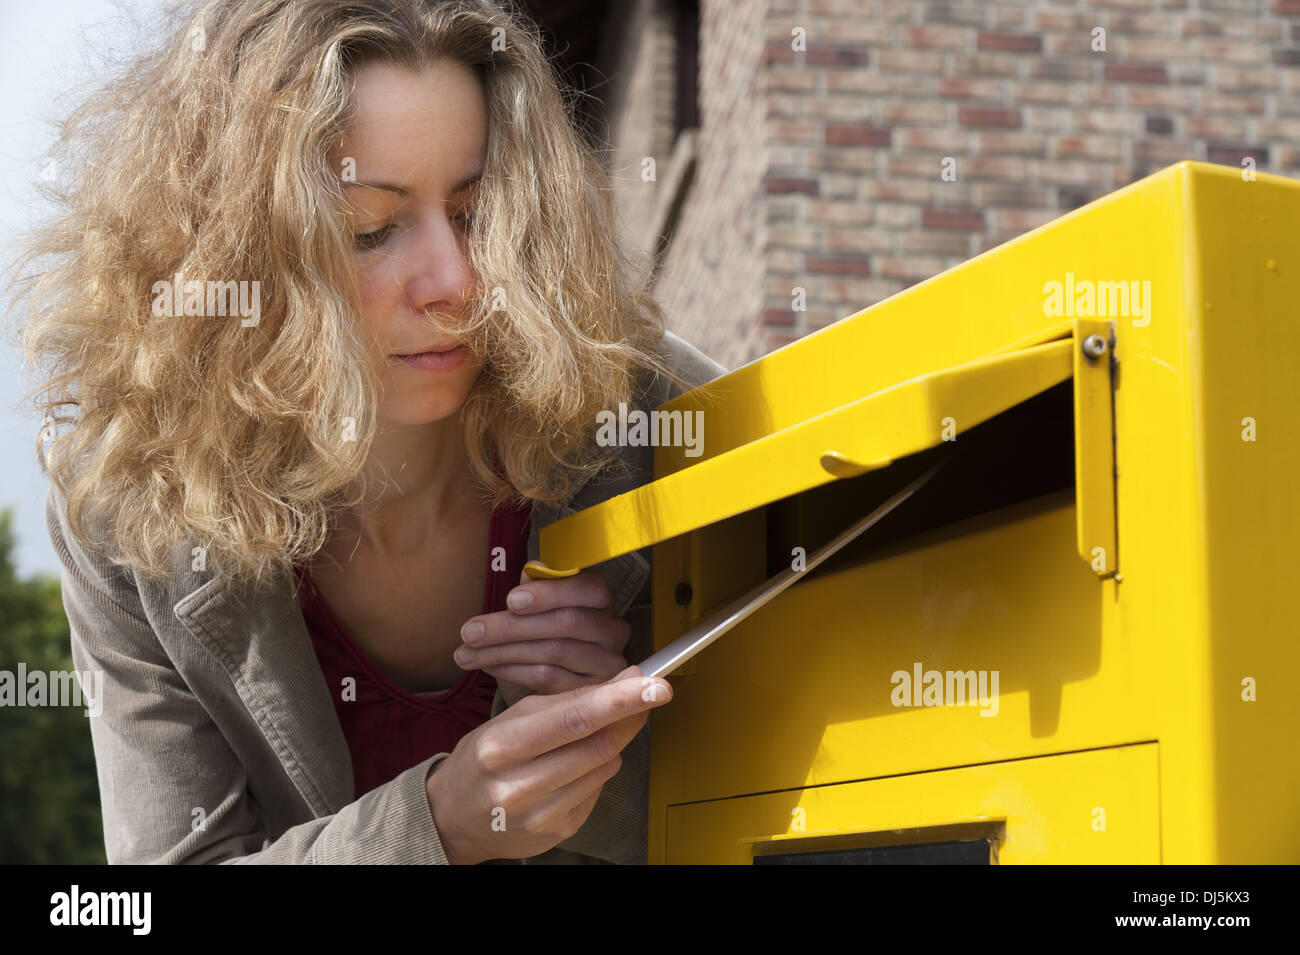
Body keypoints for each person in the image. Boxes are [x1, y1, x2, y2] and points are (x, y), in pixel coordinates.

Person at [10, 0, 725, 864]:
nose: (456, 281)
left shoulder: (657, 409)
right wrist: (439, 823)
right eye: (370, 229)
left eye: (477, 212)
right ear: (235, 259)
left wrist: (605, 746)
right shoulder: (127, 514)